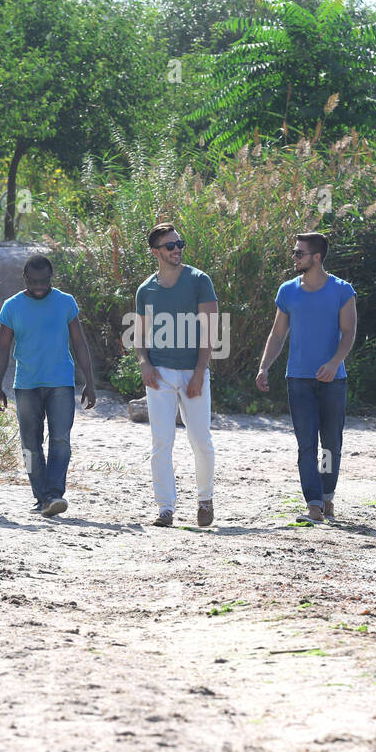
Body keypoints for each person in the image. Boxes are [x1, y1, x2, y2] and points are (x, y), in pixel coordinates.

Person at [255, 232, 357, 522]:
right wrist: (264, 367)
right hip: (298, 378)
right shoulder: (288, 291)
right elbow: (277, 334)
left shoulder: (342, 290)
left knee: (330, 445)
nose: (295, 257)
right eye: (295, 252)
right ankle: (313, 504)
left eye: (299, 253)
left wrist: (335, 362)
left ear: (316, 257)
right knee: (306, 444)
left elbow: (348, 332)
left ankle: (327, 498)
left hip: (333, 380)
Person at [0, 255, 97, 517]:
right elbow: (3, 348)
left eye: (45, 281)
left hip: (60, 382)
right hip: (26, 385)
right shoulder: (12, 306)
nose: (39, 286)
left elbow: (79, 343)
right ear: (25, 279)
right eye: (34, 281)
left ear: (51, 278)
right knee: (29, 444)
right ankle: (41, 496)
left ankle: (54, 494)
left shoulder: (65, 302)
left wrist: (90, 382)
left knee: (60, 439)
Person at [133, 223, 218, 527]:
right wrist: (144, 362)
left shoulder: (199, 281)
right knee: (161, 442)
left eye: (179, 243)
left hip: (193, 371)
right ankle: (165, 508)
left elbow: (210, 330)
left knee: (200, 440)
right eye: (170, 246)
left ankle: (205, 500)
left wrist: (199, 372)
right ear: (156, 252)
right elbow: (139, 335)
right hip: (160, 374)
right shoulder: (146, 289)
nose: (177, 249)